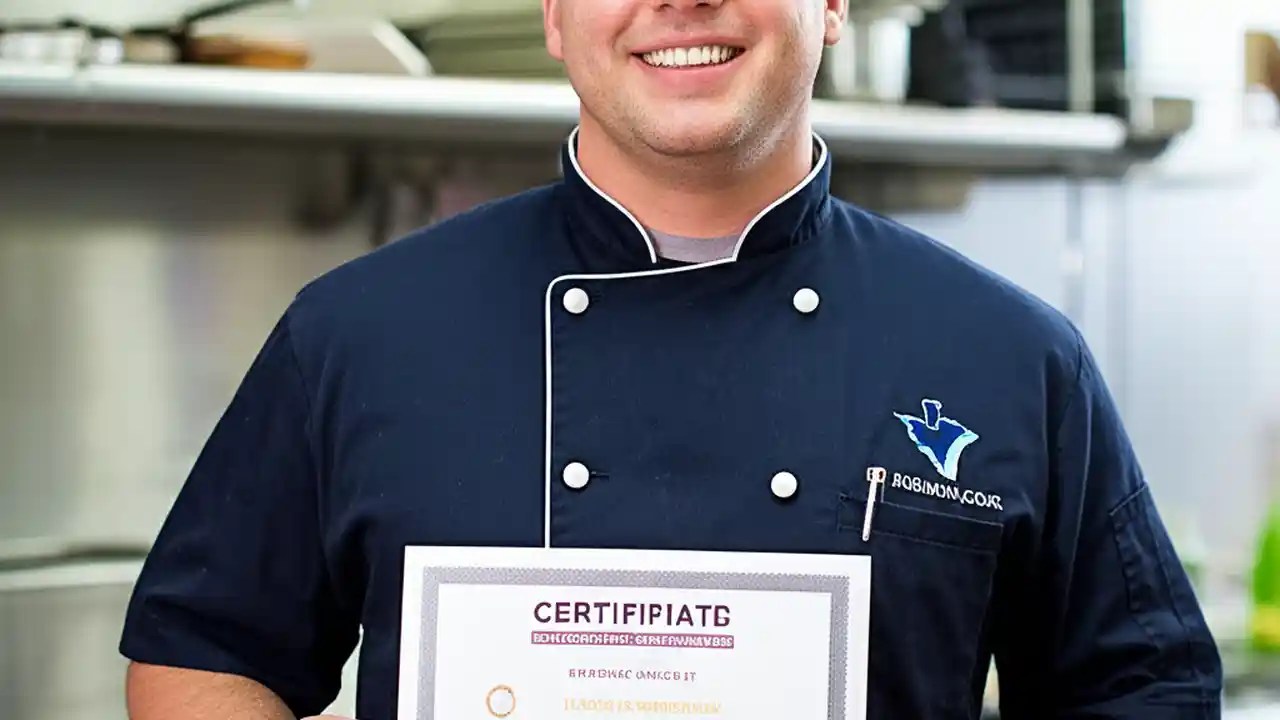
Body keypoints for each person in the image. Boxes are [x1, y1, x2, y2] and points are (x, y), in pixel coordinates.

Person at [119, 0, 1224, 718]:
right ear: (554, 14)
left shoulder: (1010, 355)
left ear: (831, 6)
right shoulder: (356, 334)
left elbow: (1138, 687)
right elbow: (205, 652)